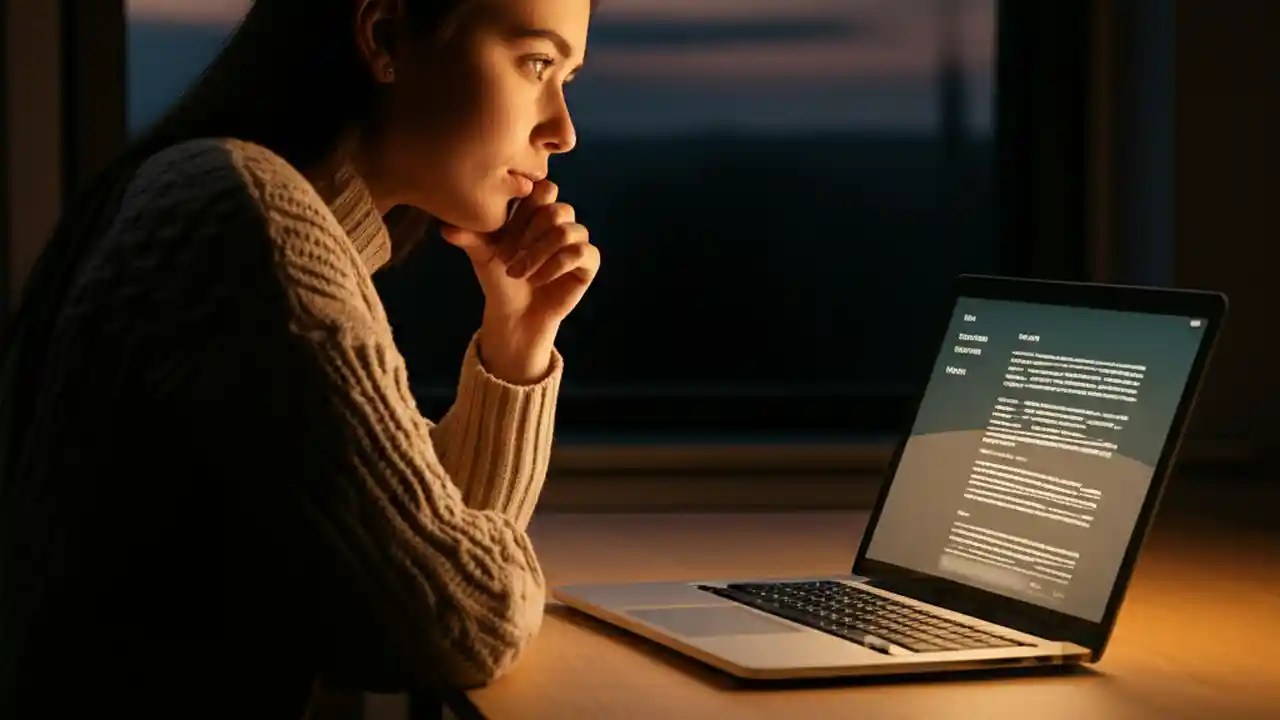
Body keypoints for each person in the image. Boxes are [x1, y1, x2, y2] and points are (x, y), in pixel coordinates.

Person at [0, 0, 599, 716]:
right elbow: (457, 621)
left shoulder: (260, 212)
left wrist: (518, 338)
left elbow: (421, 547)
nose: (561, 130)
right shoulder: (249, 219)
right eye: (536, 62)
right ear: (385, 39)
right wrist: (490, 577)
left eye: (567, 76)